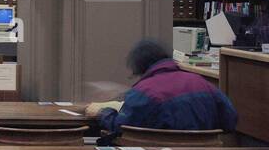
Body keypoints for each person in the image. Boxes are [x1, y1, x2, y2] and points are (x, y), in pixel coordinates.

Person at [86, 38, 238, 138]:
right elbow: (230, 120)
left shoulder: (144, 91)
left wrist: (102, 113)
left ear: (140, 67)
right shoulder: (203, 84)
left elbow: (122, 128)